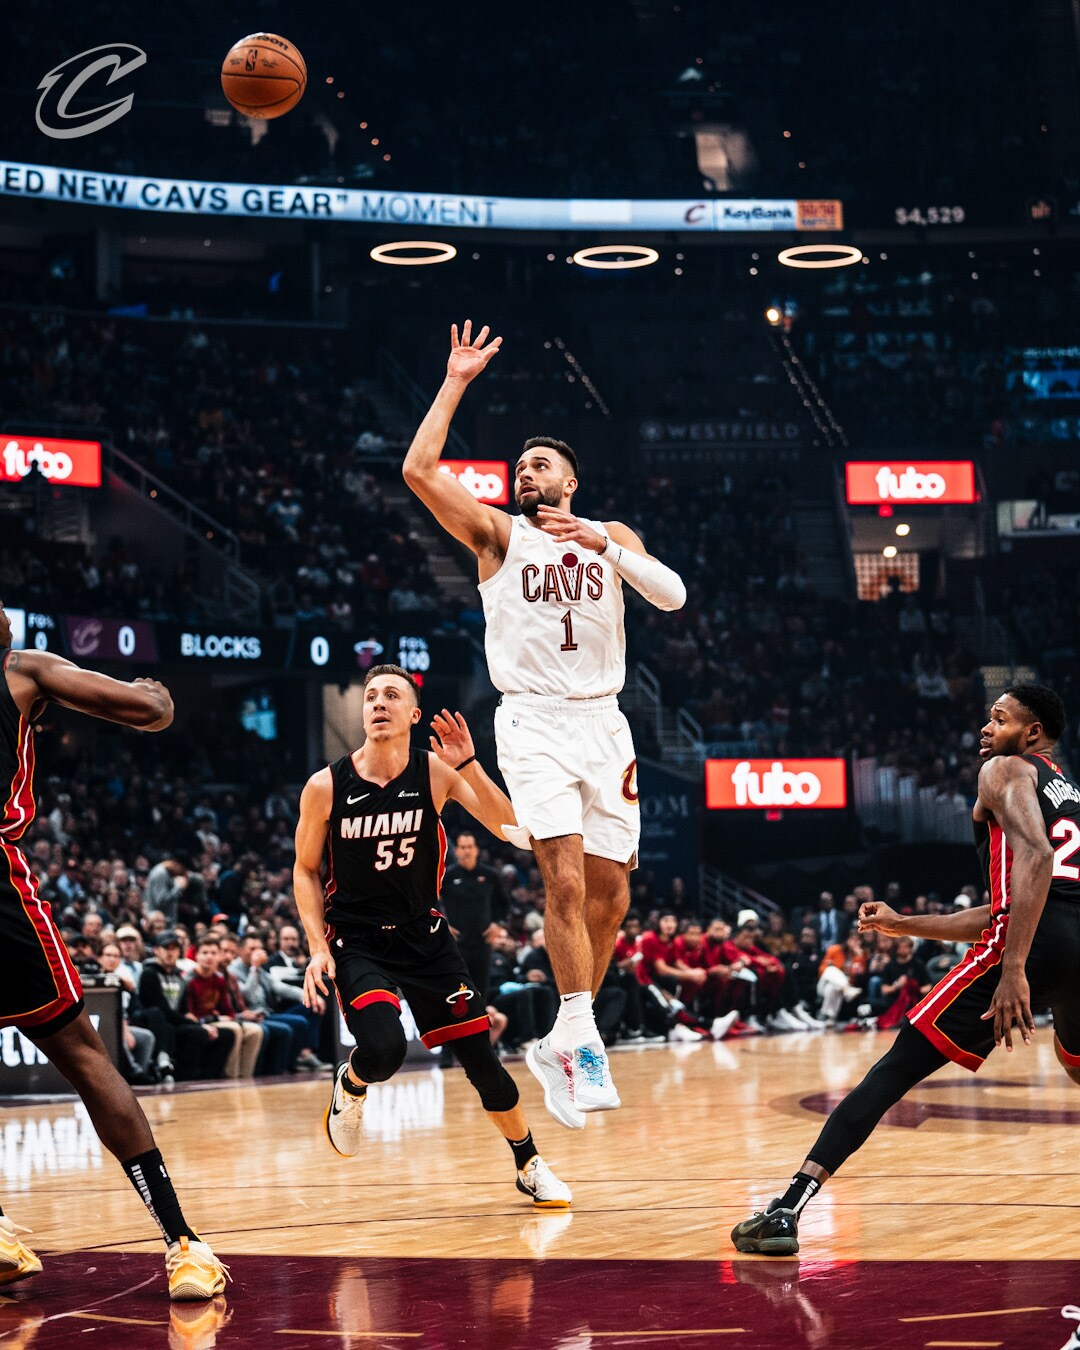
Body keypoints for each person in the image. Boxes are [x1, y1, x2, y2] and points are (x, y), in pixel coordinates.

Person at [402, 320, 687, 1126]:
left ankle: (564, 1034)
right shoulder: (499, 534)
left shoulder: (611, 538)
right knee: (560, 879)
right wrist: (455, 382)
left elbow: (673, 597)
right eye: (520, 466)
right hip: (532, 721)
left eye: (540, 465)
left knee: (612, 896)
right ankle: (584, 1040)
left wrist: (605, 545)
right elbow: (418, 470)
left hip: (606, 725)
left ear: (570, 481)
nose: (526, 472)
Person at [732, 684, 1080, 1256]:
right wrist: (904, 924)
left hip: (1032, 946)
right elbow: (1014, 903)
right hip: (1075, 945)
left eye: (999, 719)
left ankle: (786, 1210)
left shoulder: (1003, 769)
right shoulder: (1068, 790)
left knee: (893, 1071)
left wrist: (1015, 967)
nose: (986, 729)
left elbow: (1037, 861)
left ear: (1032, 733)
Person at [0, 609, 226, 1299]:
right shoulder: (21, 669)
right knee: (84, 1056)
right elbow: (148, 712)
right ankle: (183, 1244)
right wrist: (154, 691)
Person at [294, 665, 571, 1204]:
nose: (378, 703)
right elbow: (305, 870)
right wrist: (316, 946)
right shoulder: (325, 786)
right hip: (358, 939)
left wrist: (468, 765)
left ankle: (529, 1163)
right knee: (384, 1049)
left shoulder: (435, 773)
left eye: (391, 695)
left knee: (482, 1062)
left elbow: (510, 829)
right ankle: (352, 1083)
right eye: (371, 696)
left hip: (426, 937)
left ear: (413, 714)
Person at [441, 832, 507, 1000]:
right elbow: (431, 902)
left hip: (483, 941)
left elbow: (504, 904)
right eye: (463, 847)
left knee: (481, 992)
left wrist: (498, 924)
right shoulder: (447, 876)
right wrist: (443, 923)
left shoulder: (490, 874)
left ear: (477, 849)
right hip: (457, 943)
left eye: (470, 847)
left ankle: (482, 1016)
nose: (467, 851)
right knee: (459, 992)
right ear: (456, 850)